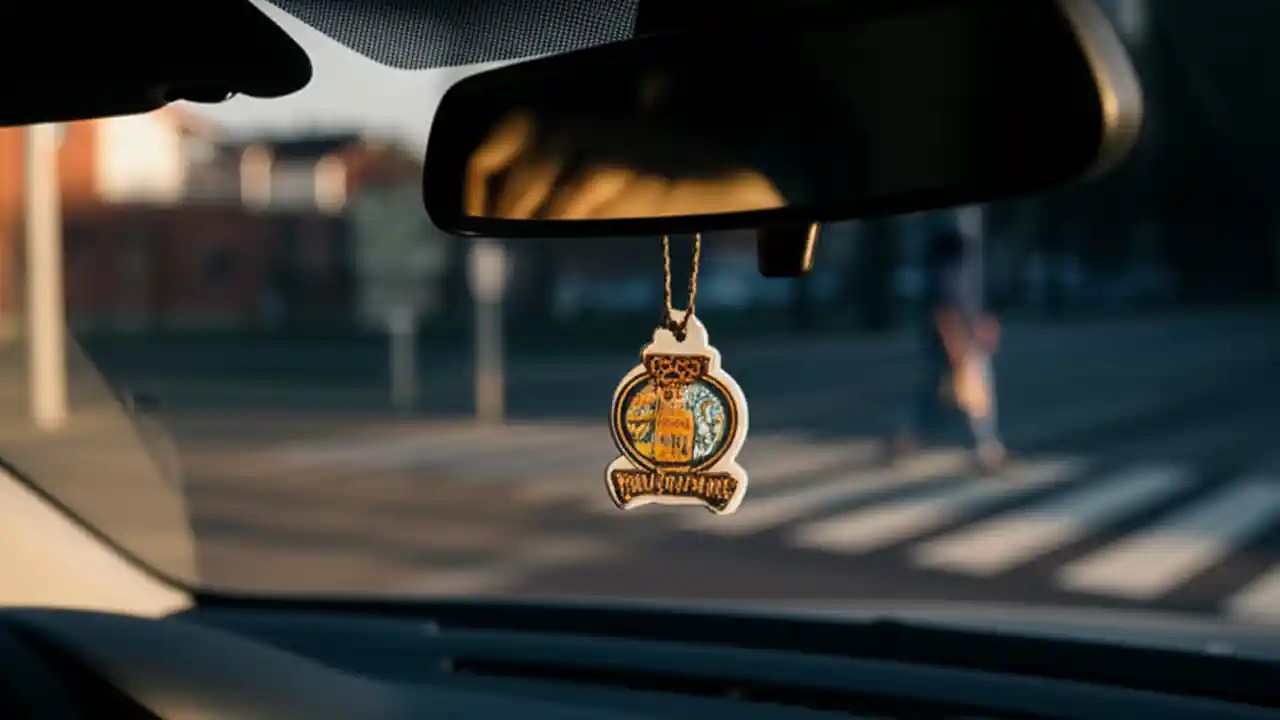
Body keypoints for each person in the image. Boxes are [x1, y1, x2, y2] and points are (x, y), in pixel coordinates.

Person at [887, 227, 1007, 473]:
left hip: (960, 342)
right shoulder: (948, 272)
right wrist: (957, 347)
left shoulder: (958, 270)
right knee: (969, 396)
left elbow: (972, 304)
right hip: (955, 344)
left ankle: (908, 436)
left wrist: (983, 328)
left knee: (947, 396)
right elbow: (945, 311)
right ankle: (986, 448)